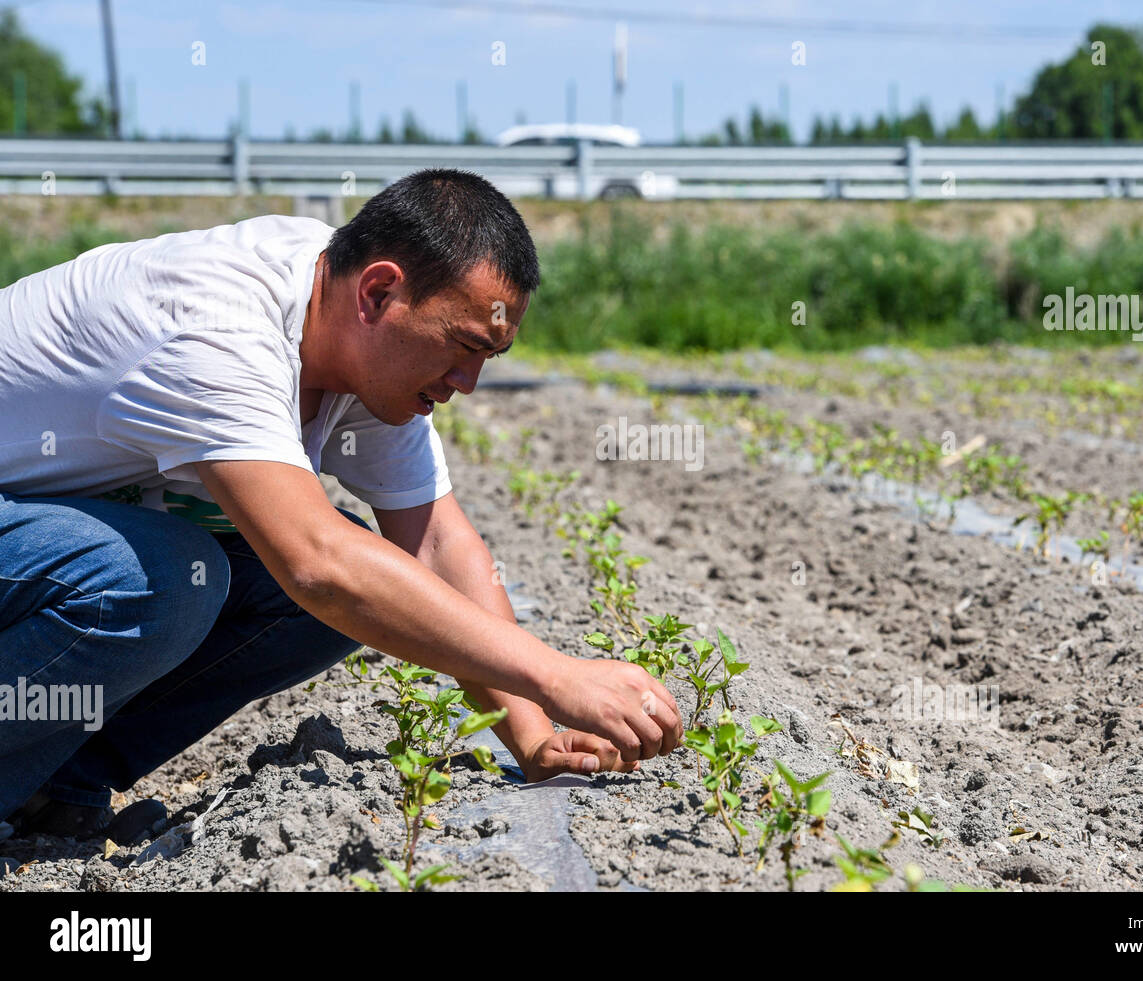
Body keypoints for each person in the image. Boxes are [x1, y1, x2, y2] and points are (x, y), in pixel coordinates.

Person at [0, 168, 681, 841]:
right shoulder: (216, 328)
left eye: (491, 356)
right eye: (466, 345)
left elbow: (437, 545)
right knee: (167, 578)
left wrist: (534, 736)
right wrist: (557, 673)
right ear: (380, 290)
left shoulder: (356, 335)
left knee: (343, 588)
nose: (469, 382)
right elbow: (319, 564)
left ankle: (52, 785)